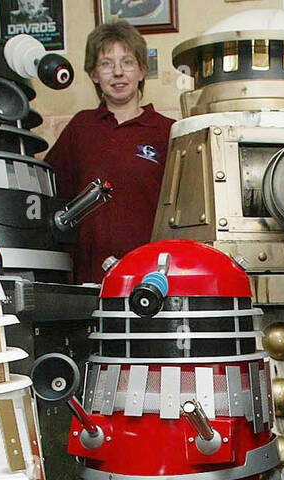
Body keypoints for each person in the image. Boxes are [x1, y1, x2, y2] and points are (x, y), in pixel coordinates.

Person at [46, 20, 174, 284]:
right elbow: (51, 195)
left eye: (127, 62)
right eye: (106, 64)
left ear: (142, 70)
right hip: (88, 278)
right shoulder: (81, 127)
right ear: (94, 74)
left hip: (152, 277)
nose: (118, 73)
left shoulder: (168, 131)